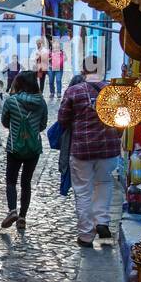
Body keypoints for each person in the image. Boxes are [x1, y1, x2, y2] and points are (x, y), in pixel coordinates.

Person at [58, 66, 121, 247]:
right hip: (108, 148)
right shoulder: (112, 91)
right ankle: (102, 222)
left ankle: (86, 235)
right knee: (104, 184)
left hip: (82, 148)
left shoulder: (74, 91)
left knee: (83, 190)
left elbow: (63, 119)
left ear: (84, 72)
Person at [0, 72, 48, 231]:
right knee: (26, 183)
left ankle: (12, 210)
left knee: (11, 181)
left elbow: (5, 122)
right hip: (33, 148)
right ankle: (22, 217)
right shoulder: (41, 103)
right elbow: (43, 125)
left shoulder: (11, 101)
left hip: (14, 148)